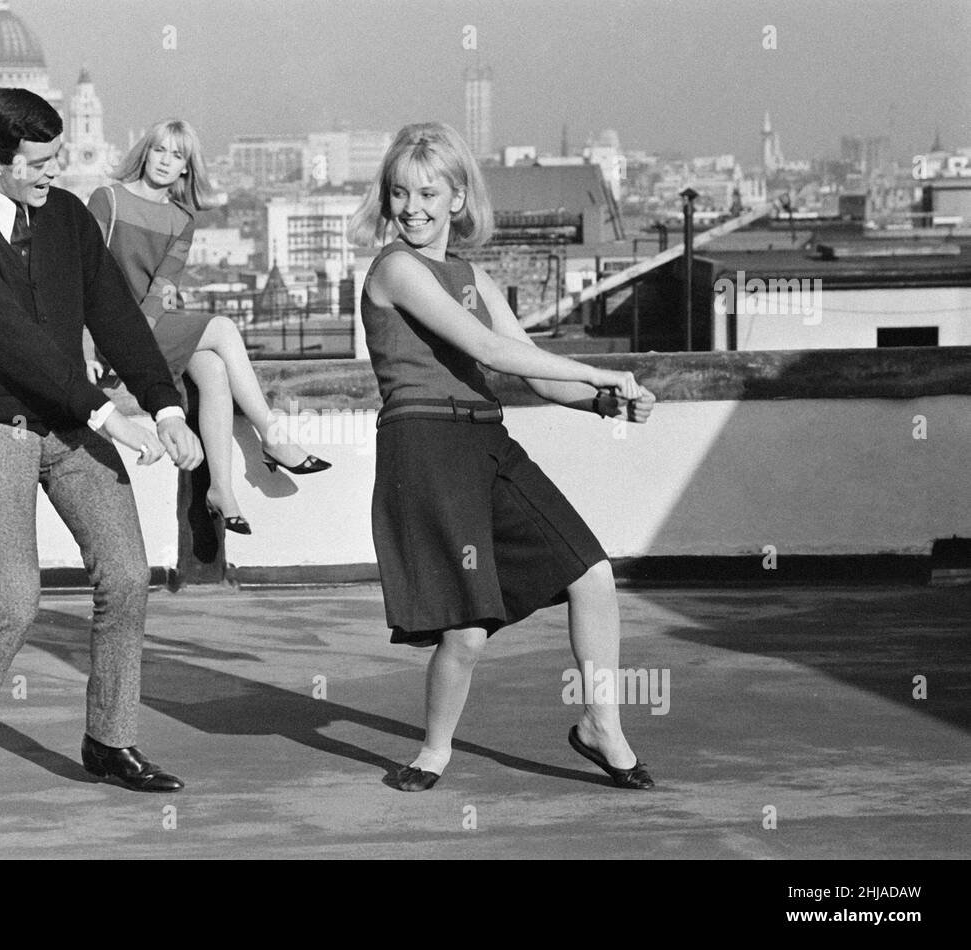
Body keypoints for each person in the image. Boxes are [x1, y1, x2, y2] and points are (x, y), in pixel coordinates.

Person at [0, 87, 204, 801]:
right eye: (40, 163)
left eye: (56, 158)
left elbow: (114, 317)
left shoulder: (66, 217)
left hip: (69, 424)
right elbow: (11, 345)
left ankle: (110, 741)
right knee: (14, 599)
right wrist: (109, 417)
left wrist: (166, 407)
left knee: (129, 576)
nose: (53, 173)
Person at [348, 122, 658, 792]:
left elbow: (535, 376)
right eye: (399, 193)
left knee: (593, 574)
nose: (412, 207)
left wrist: (603, 403)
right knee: (466, 631)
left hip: (488, 440)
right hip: (425, 447)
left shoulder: (472, 276)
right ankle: (434, 750)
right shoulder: (395, 269)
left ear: (458, 197)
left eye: (429, 192)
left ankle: (601, 726)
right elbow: (490, 353)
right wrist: (603, 374)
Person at [85, 119, 330, 535]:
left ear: (186, 168)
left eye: (176, 155)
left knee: (214, 370)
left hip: (152, 321)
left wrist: (138, 338)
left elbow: (164, 287)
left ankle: (221, 490)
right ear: (145, 152)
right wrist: (91, 345)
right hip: (110, 324)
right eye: (159, 150)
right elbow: (82, 276)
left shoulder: (182, 218)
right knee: (221, 327)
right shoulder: (107, 199)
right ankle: (272, 433)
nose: (165, 161)